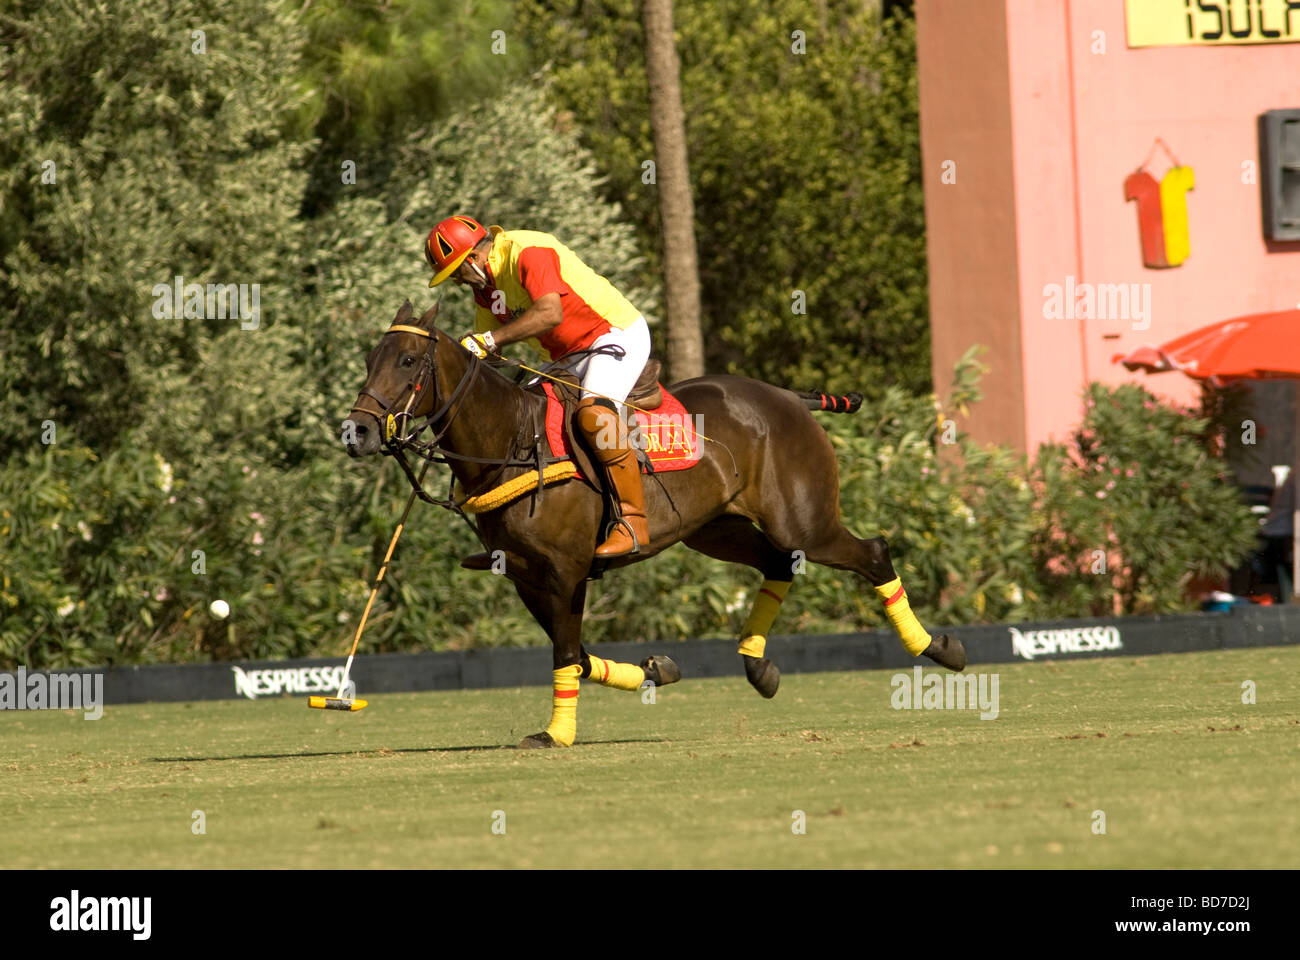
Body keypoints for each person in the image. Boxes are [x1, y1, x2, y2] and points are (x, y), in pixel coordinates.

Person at [424, 215, 651, 558]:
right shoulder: (484, 287)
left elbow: (549, 314)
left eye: (456, 272)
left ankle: (634, 522)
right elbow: (491, 350)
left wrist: (489, 339)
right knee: (513, 417)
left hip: (613, 335)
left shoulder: (528, 251)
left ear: (472, 258)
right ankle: (515, 537)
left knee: (595, 417)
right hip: (564, 355)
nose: (457, 282)